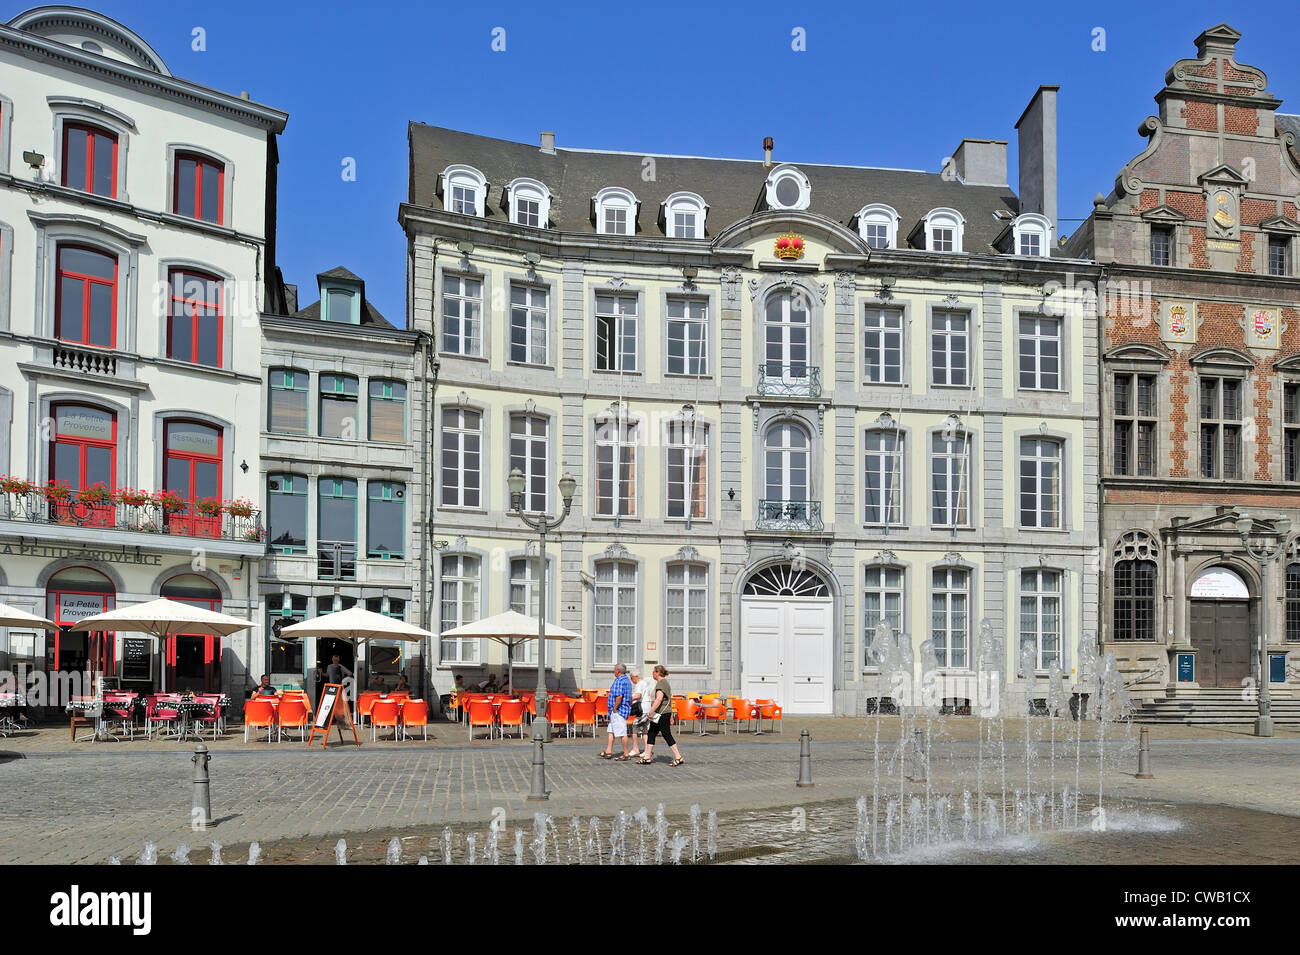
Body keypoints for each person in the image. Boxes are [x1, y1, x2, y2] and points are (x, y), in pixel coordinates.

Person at [636, 665, 684, 766]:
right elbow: (669, 699)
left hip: (661, 713)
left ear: (658, 672)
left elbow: (659, 699)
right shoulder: (665, 683)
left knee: (666, 734)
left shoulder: (661, 684)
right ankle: (647, 757)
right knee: (652, 733)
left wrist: (651, 711)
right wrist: (670, 715)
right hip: (662, 713)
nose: (652, 673)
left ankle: (678, 757)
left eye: (654, 672)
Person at [599, 663, 633, 760]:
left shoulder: (620, 680)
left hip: (618, 710)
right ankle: (608, 751)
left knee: (622, 733)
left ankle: (626, 754)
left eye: (614, 670)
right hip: (620, 710)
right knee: (611, 731)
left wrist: (615, 708)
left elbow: (619, 696)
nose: (614, 671)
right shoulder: (627, 680)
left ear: (618, 671)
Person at [627, 668, 653, 758]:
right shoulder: (645, 683)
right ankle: (647, 750)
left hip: (642, 708)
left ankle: (635, 749)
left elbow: (638, 695)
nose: (631, 680)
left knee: (634, 726)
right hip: (647, 707)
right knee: (645, 729)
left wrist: (629, 699)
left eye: (631, 677)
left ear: (635, 676)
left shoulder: (639, 683)